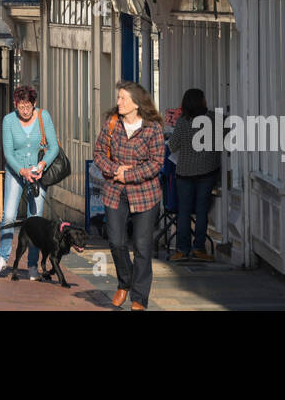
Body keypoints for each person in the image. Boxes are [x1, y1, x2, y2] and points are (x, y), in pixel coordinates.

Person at [94, 82, 164, 309]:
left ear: (136, 103)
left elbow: (156, 163)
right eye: (118, 98)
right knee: (116, 242)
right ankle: (124, 283)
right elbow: (98, 154)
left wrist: (130, 174)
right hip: (115, 191)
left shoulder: (152, 128)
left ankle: (139, 298)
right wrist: (115, 171)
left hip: (145, 194)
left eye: (123, 98)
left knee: (142, 247)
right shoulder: (112, 124)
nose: (118, 102)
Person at [0, 85, 59, 280]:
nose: (25, 111)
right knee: (9, 215)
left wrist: (42, 164)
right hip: (16, 173)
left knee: (35, 220)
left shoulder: (44, 117)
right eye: (21, 106)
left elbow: (54, 147)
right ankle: (3, 258)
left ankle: (33, 265)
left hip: (37, 175)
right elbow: (8, 152)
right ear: (15, 105)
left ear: (34, 104)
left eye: (28, 106)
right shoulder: (9, 121)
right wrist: (21, 170)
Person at [167, 88, 221, 262]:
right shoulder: (213, 119)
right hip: (207, 171)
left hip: (185, 173)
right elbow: (226, 136)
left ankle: (182, 249)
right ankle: (199, 248)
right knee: (201, 211)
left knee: (183, 212)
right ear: (201, 101)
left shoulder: (183, 121)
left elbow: (173, 146)